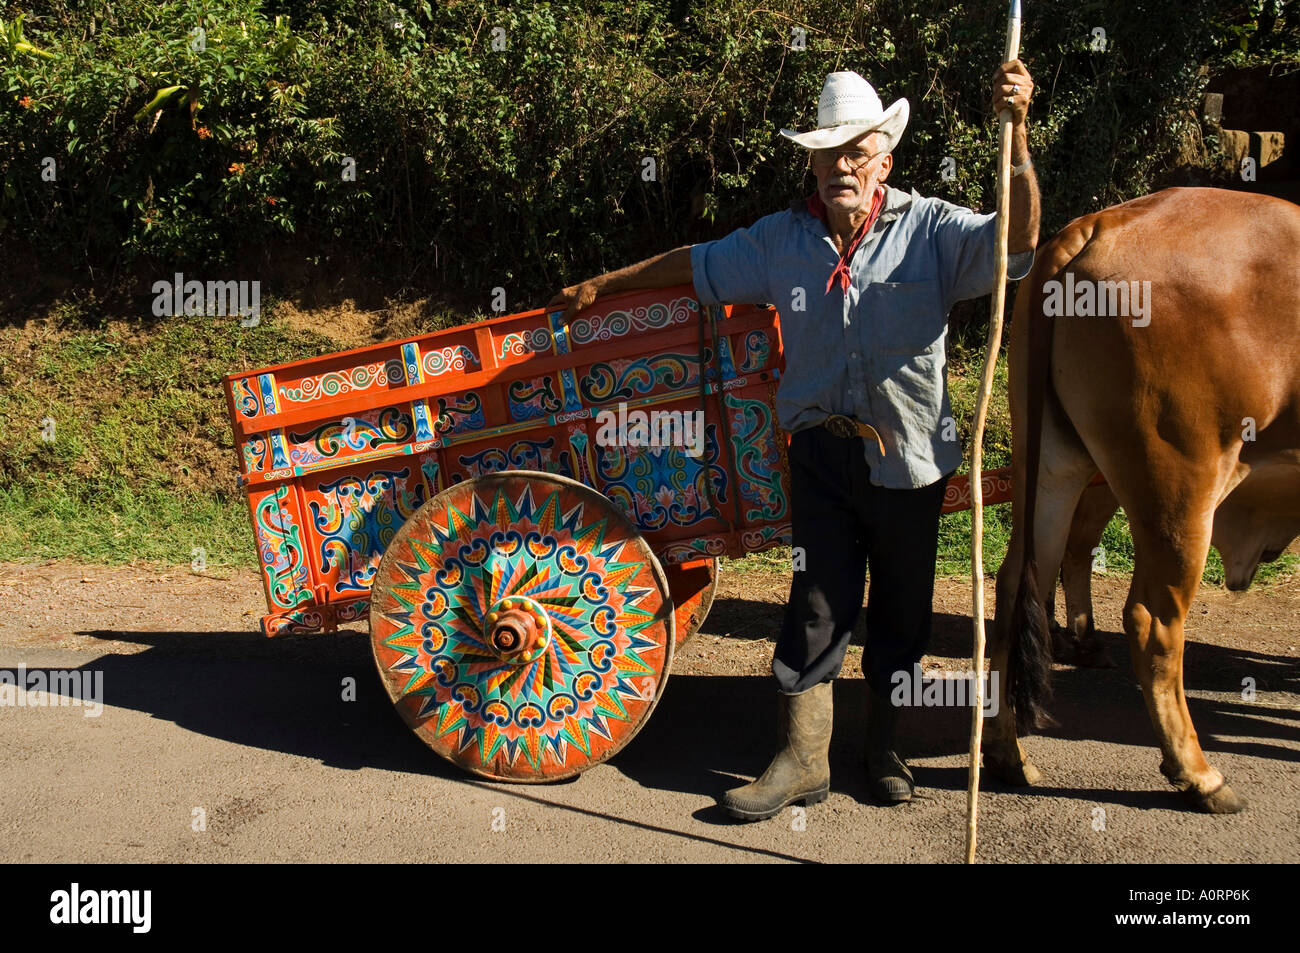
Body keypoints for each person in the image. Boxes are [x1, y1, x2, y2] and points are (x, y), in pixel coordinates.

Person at [550, 61, 1040, 820]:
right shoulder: (782, 242)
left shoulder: (933, 231)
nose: (842, 164)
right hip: (819, 455)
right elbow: (700, 263)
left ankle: (884, 746)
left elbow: (1017, 243)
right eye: (828, 151)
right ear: (811, 161)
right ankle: (803, 759)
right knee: (815, 602)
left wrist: (1018, 137)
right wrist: (608, 282)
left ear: (885, 157)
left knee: (904, 611)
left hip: (909, 459)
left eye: (858, 150)